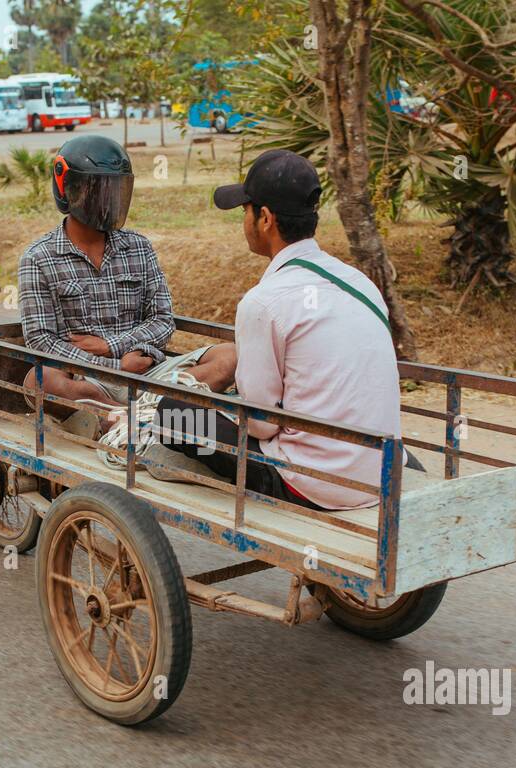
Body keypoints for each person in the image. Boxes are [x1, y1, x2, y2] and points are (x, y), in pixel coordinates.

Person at [149, 149, 403, 510]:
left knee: (172, 412)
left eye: (245, 212)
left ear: (265, 218)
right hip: (382, 471)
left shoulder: (264, 302)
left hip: (314, 485)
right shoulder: (358, 282)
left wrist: (223, 405)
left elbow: (262, 425)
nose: (245, 221)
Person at [17, 135, 235, 416]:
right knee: (41, 378)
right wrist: (115, 366)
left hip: (148, 373)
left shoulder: (139, 246)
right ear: (65, 189)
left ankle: (121, 419)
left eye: (115, 192)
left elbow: (162, 320)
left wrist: (112, 346)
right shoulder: (38, 257)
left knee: (230, 357)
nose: (108, 202)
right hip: (89, 378)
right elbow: (43, 342)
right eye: (96, 192)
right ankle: (153, 416)